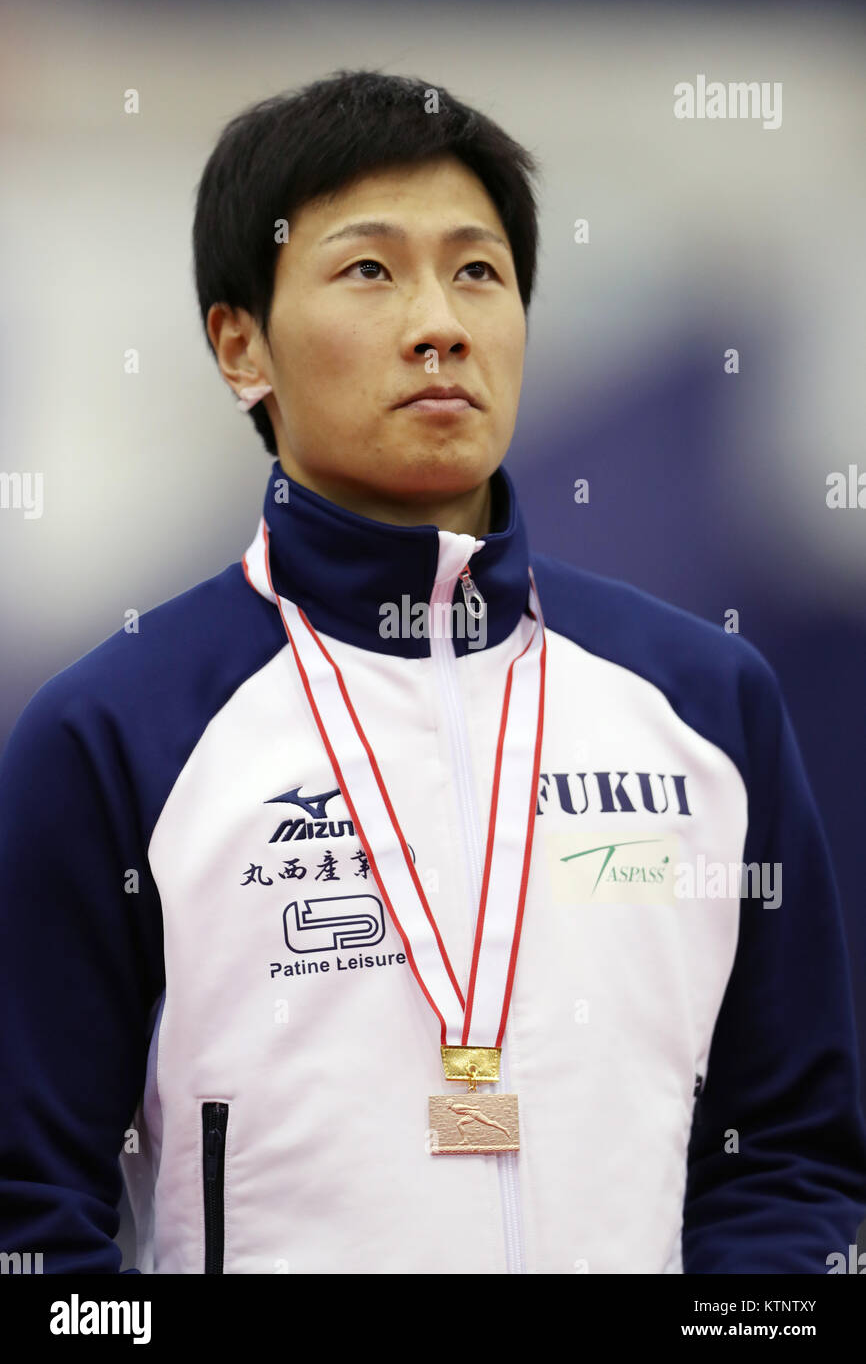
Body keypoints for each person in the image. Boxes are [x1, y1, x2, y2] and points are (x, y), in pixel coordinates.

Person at [1, 68, 864, 1276]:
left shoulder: (707, 702)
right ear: (238, 344)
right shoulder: (115, 731)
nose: (440, 322)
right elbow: (30, 1213)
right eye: (369, 269)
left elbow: (791, 1154)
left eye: (477, 271)